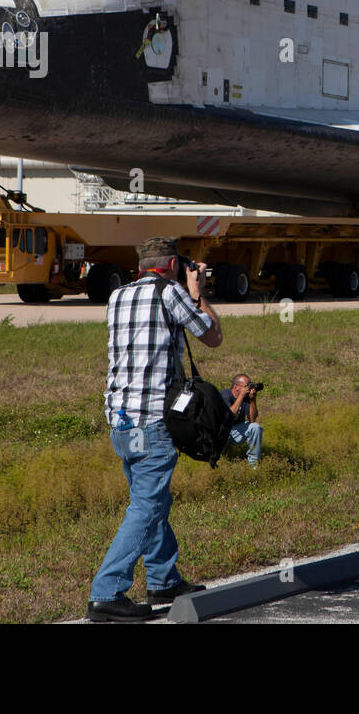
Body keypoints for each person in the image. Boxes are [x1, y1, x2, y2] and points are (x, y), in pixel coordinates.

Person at [88, 237, 222, 623]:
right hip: (150, 421)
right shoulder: (171, 293)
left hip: (120, 419)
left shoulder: (119, 296)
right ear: (171, 265)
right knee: (146, 506)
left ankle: (163, 578)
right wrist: (197, 293)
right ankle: (107, 591)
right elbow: (212, 336)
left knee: (153, 501)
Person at [221, 374, 264, 467]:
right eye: (247, 386)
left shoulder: (246, 398)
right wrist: (241, 396)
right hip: (221, 431)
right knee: (219, 456)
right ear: (236, 387)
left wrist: (253, 399)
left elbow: (252, 420)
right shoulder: (225, 394)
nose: (249, 388)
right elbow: (230, 415)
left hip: (236, 431)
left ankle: (254, 465)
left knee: (255, 427)